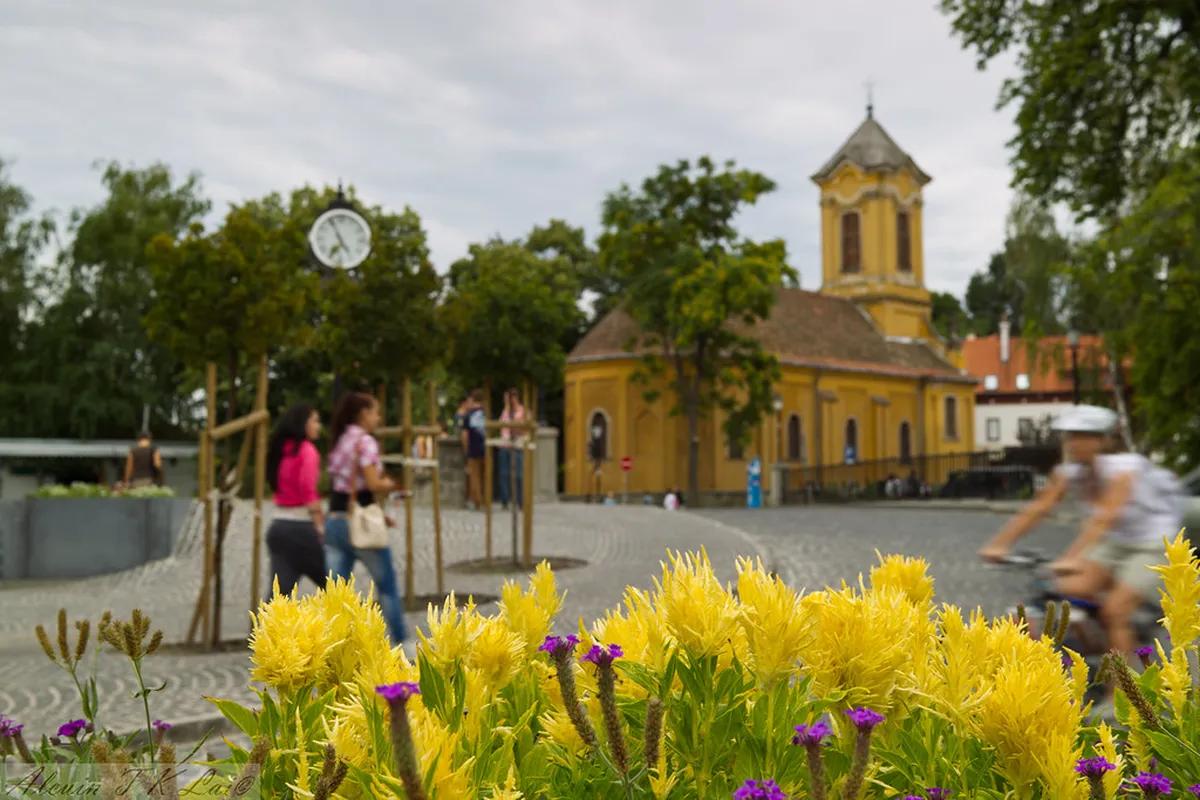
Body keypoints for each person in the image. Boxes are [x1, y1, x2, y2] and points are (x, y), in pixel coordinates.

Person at [979, 405, 1182, 659]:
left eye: (1082, 436)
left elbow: (1104, 518)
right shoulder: (1068, 473)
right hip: (1116, 541)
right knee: (1067, 589)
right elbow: (1038, 508)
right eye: (1070, 436)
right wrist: (999, 544)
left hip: (1152, 542)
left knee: (1114, 611)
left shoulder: (1125, 469)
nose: (1073, 443)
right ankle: (1097, 649)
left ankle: (1119, 693)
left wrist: (1073, 557)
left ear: (1101, 441)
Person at [325, 392, 407, 644]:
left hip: (337, 518)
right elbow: (370, 483)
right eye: (375, 412)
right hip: (360, 522)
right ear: (363, 414)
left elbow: (345, 484)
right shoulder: (366, 442)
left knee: (336, 591)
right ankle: (400, 641)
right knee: (387, 586)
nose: (378, 418)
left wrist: (379, 515)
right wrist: (390, 483)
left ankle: (333, 643)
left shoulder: (340, 440)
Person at [264, 404, 326, 598]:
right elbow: (308, 489)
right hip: (302, 529)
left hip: (279, 528)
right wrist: (320, 527)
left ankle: (261, 628)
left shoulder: (282, 451)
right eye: (315, 420)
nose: (319, 426)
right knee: (338, 588)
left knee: (278, 597)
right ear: (303, 423)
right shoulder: (308, 451)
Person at [498, 388, 526, 510]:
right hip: (504, 445)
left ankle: (520, 500)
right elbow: (501, 426)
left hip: (517, 445)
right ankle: (505, 500)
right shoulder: (505, 411)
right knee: (504, 474)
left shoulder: (522, 411)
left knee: (518, 475)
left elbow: (523, 427)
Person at [461, 390, 486, 510]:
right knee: (486, 475)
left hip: (473, 447)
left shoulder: (468, 415)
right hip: (486, 447)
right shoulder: (487, 413)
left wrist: (466, 449)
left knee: (474, 476)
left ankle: (478, 501)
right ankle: (486, 500)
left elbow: (465, 434)